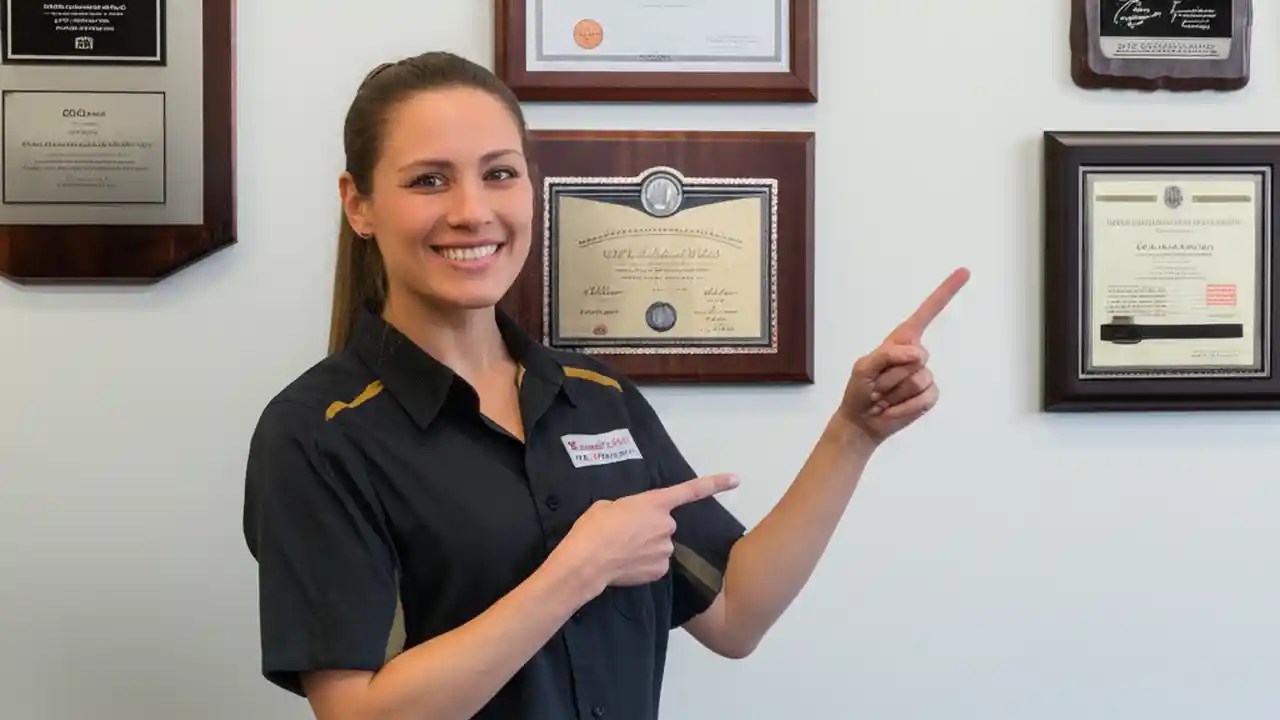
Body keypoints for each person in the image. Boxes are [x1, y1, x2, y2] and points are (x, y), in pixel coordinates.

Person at [241, 51, 969, 720]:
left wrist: (854, 433)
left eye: (499, 172)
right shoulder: (317, 433)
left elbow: (738, 614)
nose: (472, 210)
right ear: (358, 203)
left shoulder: (596, 395)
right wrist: (578, 570)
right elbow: (358, 714)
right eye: (429, 179)